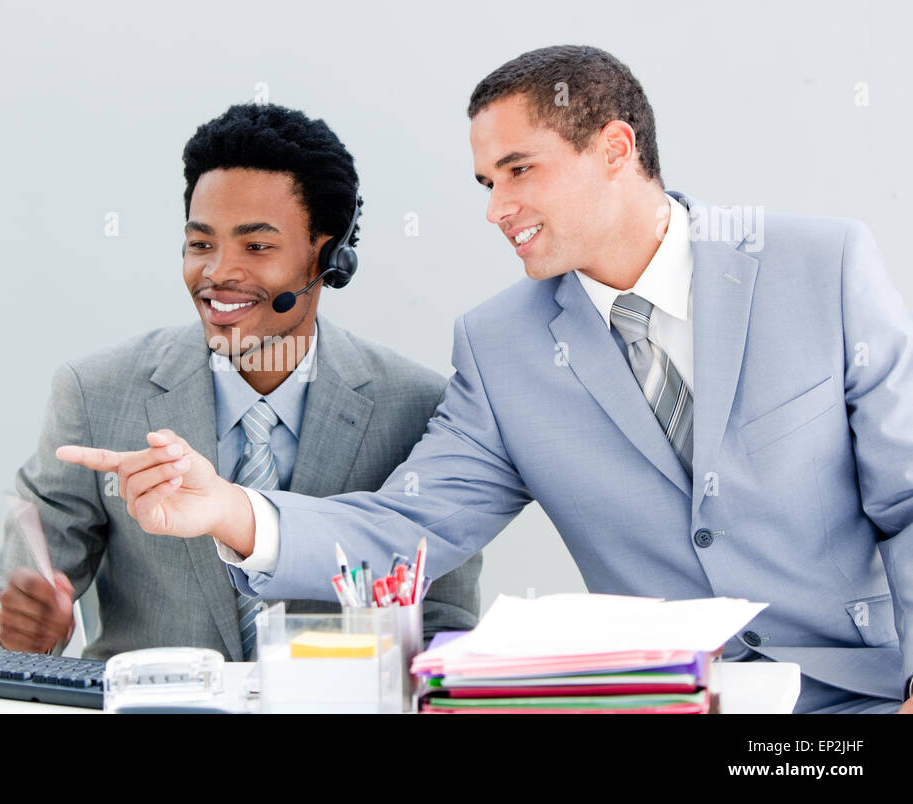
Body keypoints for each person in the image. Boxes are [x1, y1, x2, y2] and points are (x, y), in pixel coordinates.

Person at [60, 46, 913, 713]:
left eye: (519, 170)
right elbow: (405, 532)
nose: (495, 207)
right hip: (661, 706)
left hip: (853, 707)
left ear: (616, 148)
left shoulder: (819, 267)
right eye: (484, 180)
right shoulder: (502, 346)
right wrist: (232, 510)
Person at [0, 103, 484, 660]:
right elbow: (6, 613)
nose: (217, 273)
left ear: (330, 256)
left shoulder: (417, 407)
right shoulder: (96, 393)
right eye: (200, 244)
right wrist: (21, 635)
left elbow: (444, 627)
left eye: (256, 246)